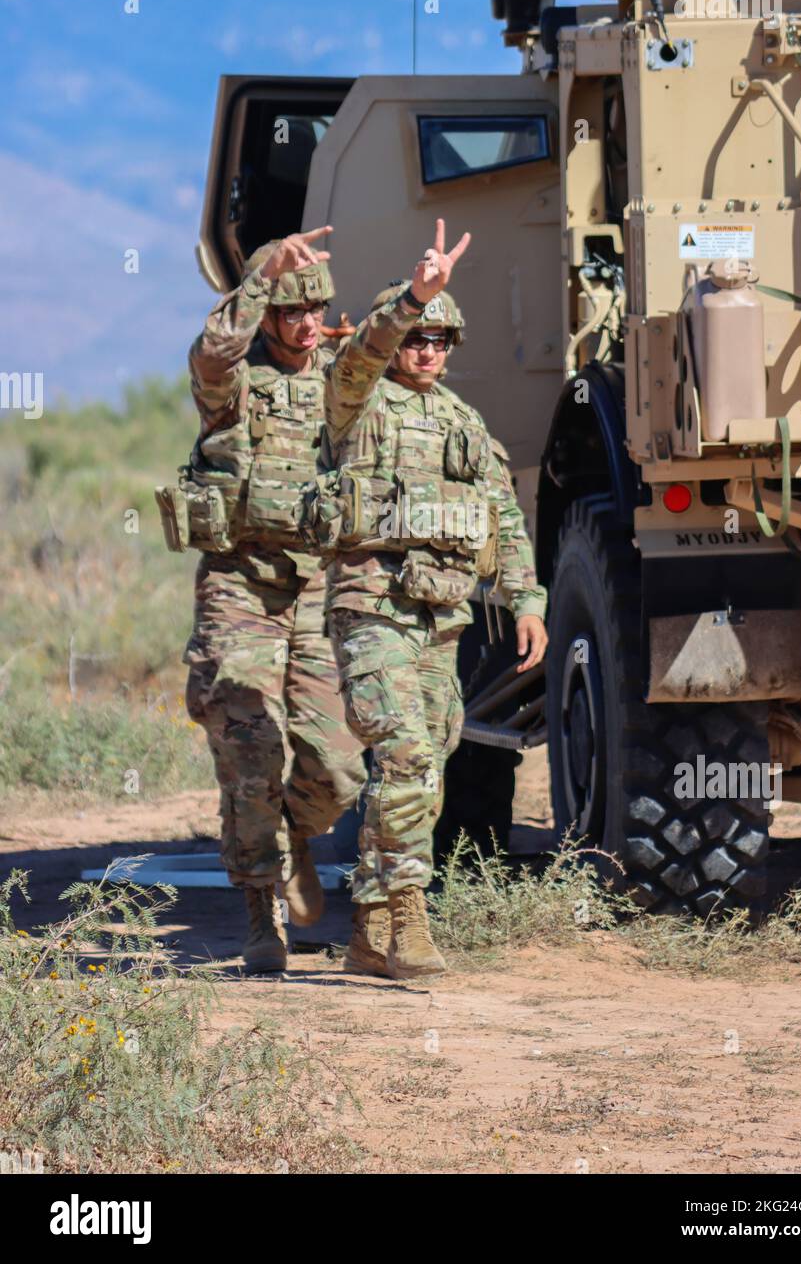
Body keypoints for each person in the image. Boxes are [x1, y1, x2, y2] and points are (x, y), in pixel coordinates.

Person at [322, 218, 548, 980]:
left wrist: (526, 600)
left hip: (442, 621)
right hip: (373, 610)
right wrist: (413, 296)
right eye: (418, 335)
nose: (426, 349)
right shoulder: (357, 404)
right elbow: (361, 356)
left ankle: (368, 924)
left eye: (440, 339)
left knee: (423, 768)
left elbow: (504, 516)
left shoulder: (465, 425)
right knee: (407, 751)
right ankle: (410, 918)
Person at [157, 228, 367, 975]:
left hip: (315, 588)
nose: (308, 323)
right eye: (291, 311)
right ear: (269, 316)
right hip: (240, 586)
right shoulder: (234, 383)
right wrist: (256, 278)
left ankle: (298, 838)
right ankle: (261, 911)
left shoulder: (339, 383)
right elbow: (209, 354)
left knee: (339, 769)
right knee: (251, 753)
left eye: (317, 310)